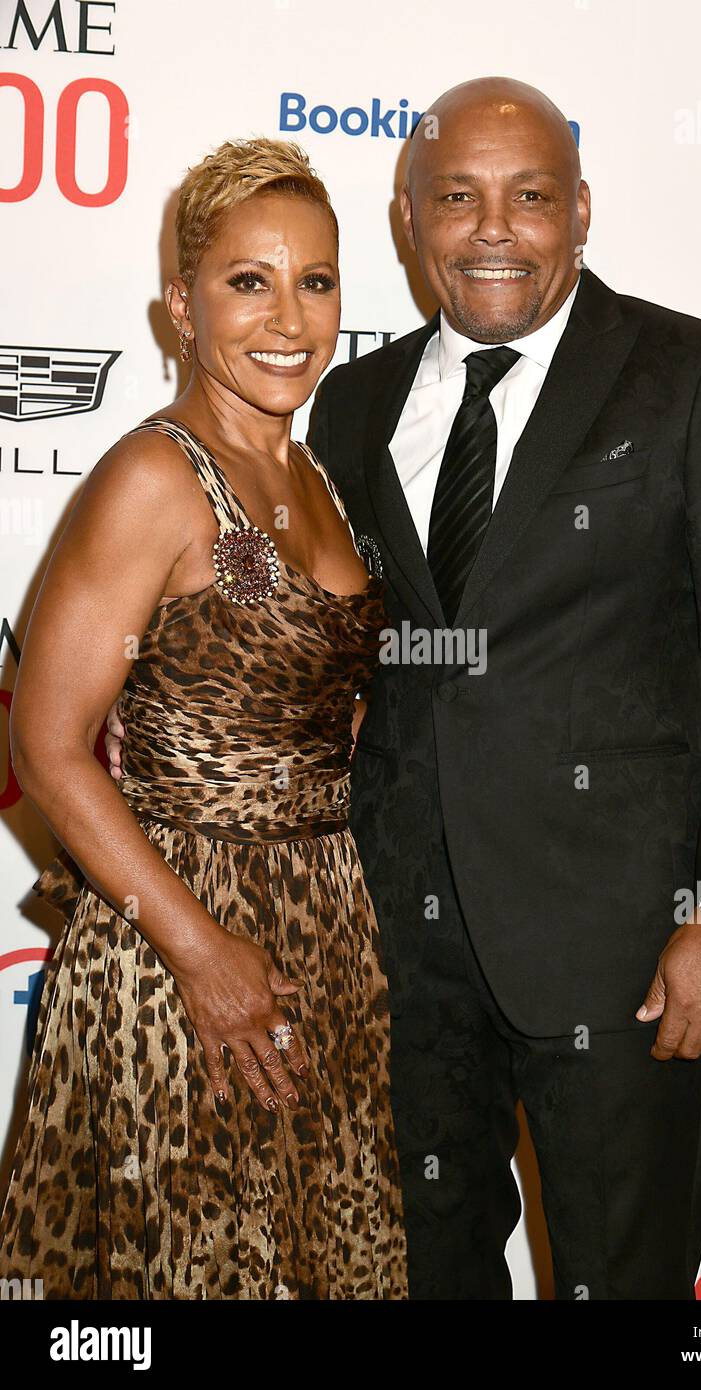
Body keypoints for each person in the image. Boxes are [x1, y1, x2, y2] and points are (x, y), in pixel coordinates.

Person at [299, 77, 701, 1300]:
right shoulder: (353, 400)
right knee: (422, 1272)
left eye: (528, 197)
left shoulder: (693, 374)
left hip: (622, 949)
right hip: (399, 947)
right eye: (457, 199)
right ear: (409, 218)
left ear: (579, 210)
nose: (493, 231)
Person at [0, 138, 407, 1300]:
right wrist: (197, 949)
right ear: (180, 306)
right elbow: (46, 743)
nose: (288, 316)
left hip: (324, 929)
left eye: (315, 281)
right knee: (187, 1264)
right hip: (179, 938)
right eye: (247, 280)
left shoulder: (322, 477)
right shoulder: (155, 477)